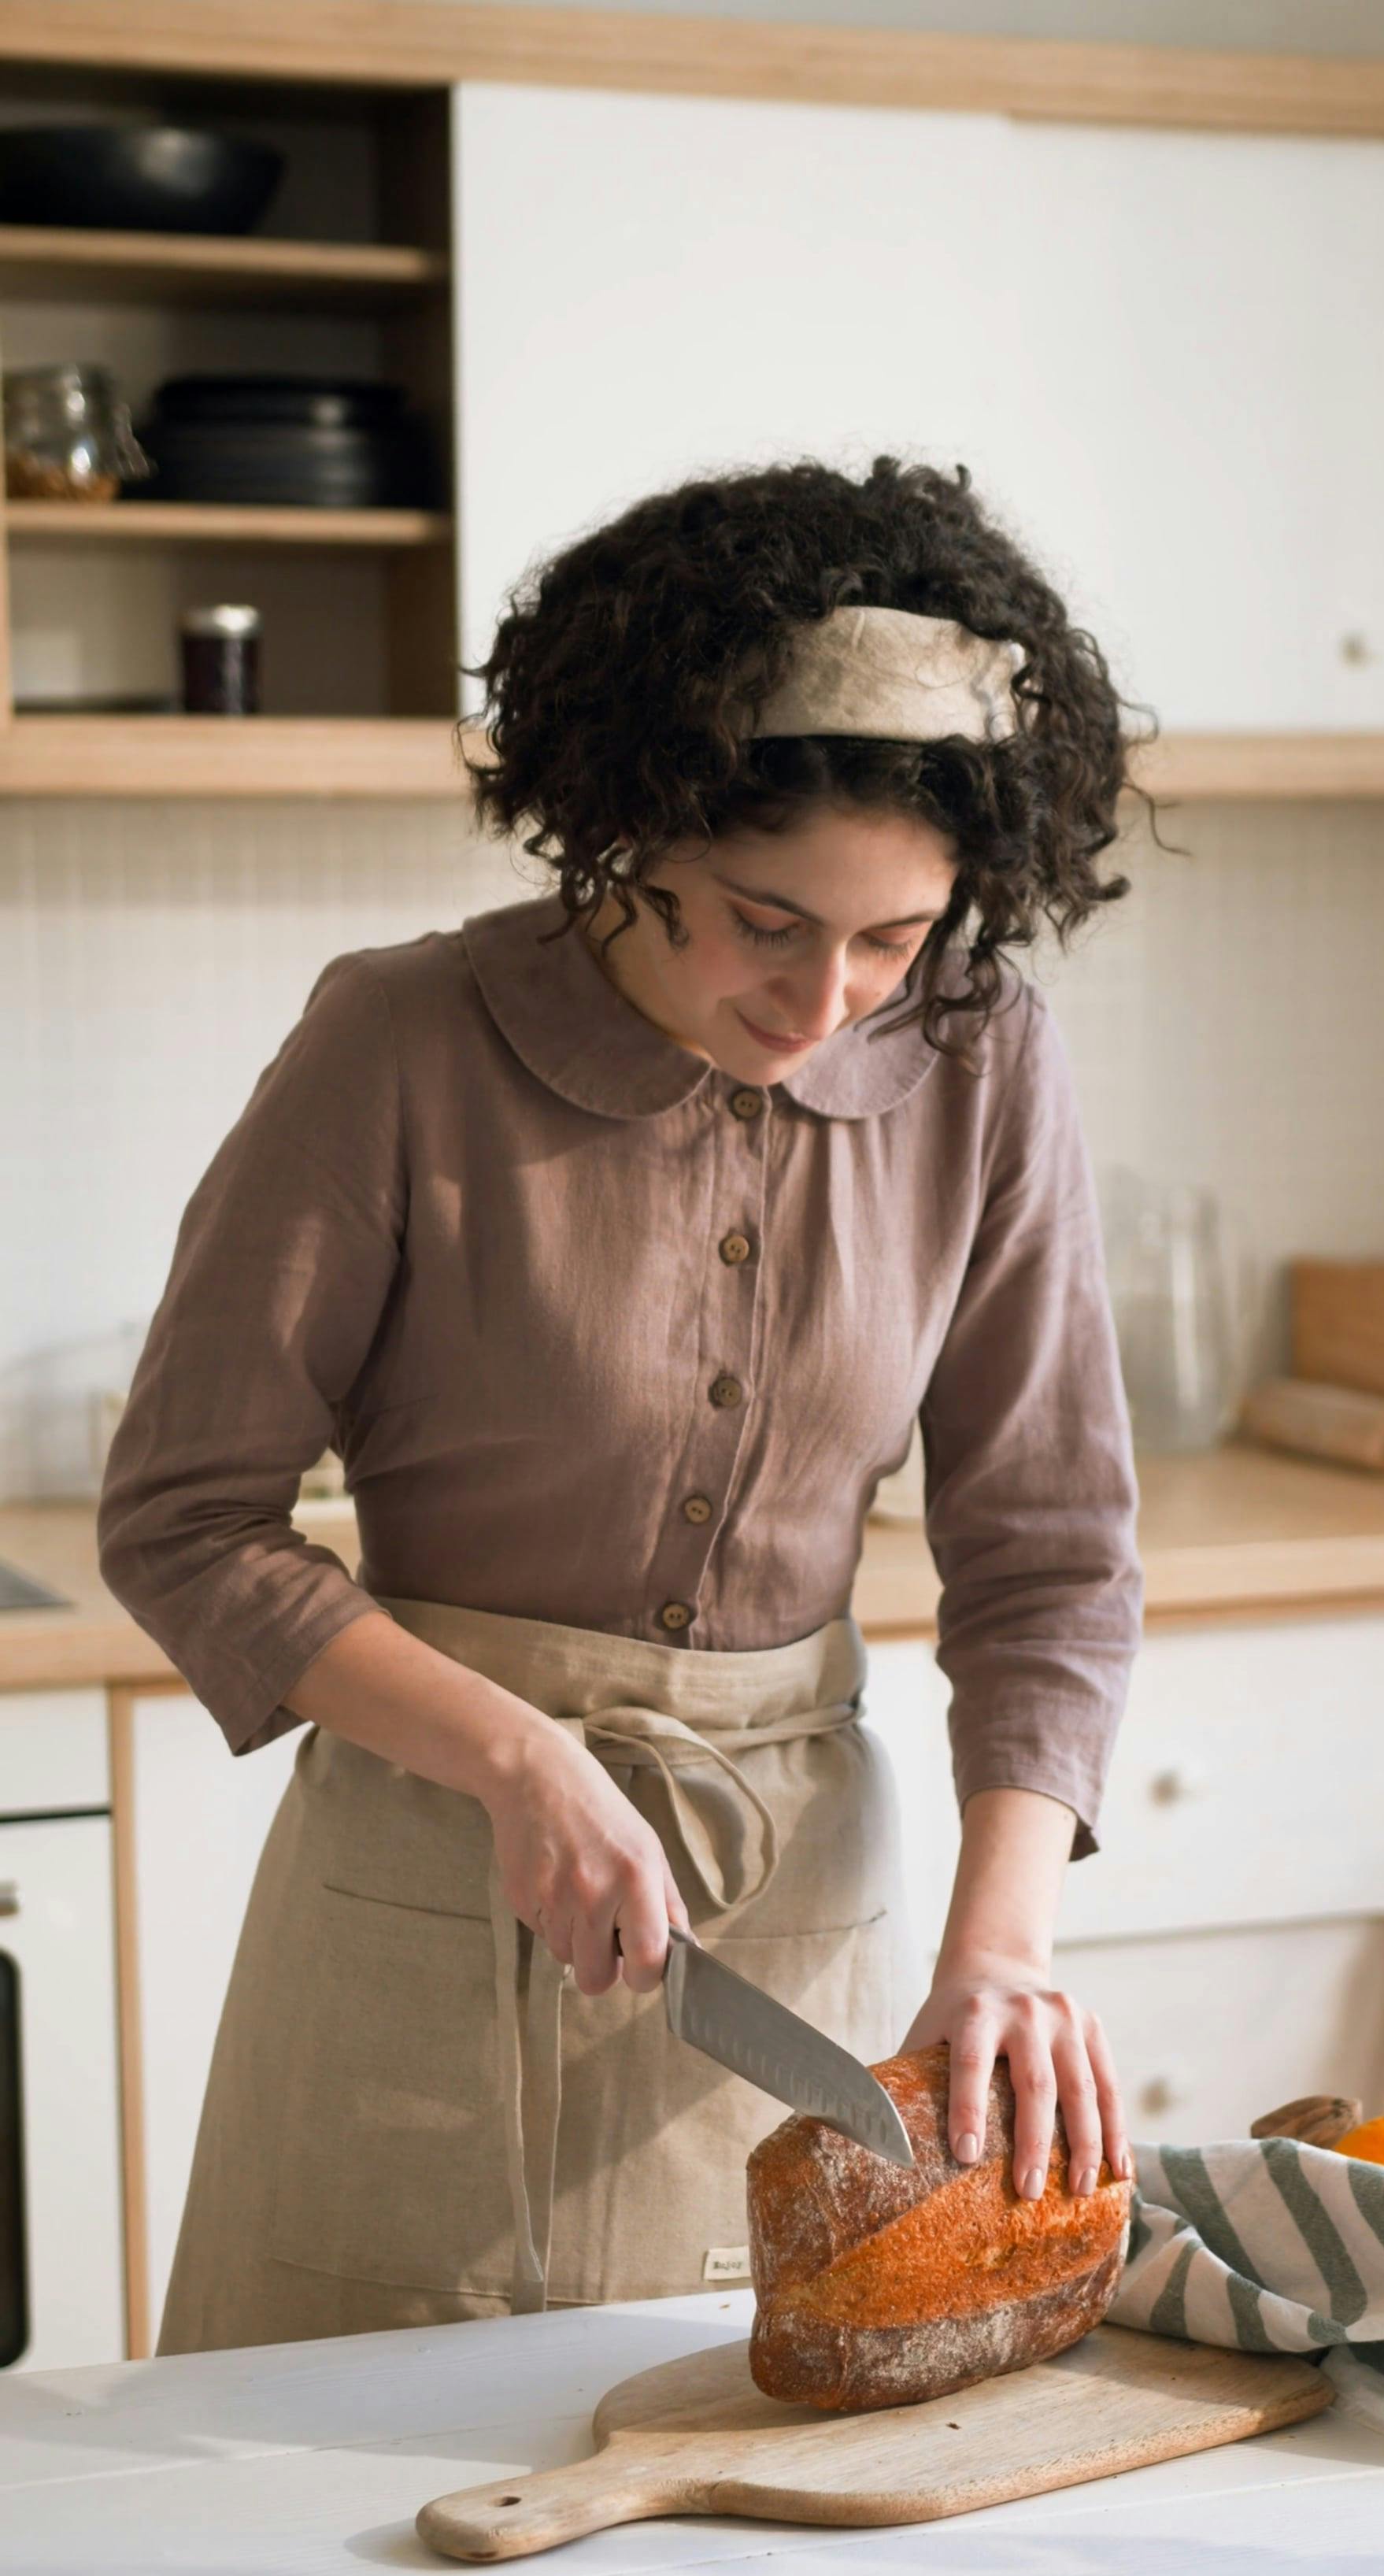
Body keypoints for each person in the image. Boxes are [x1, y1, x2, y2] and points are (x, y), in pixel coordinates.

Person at [98, 453, 1143, 2355]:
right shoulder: (400, 1041)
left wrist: (998, 1950)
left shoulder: (984, 1066)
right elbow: (184, 1518)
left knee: (748, 2473)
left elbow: (1050, 1557)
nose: (824, 999)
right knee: (327, 2481)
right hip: (425, 1888)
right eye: (764, 920)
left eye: (892, 939)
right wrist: (516, 1759)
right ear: (630, 824)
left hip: (789, 1920)